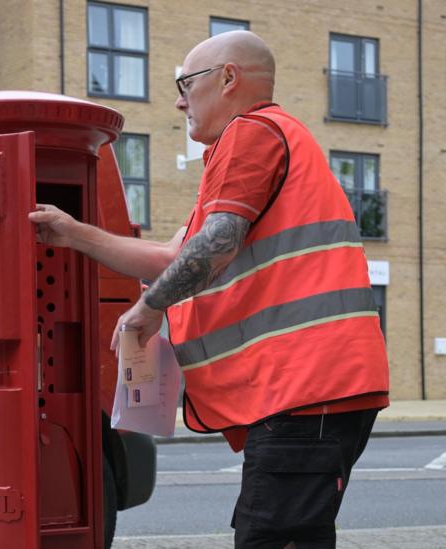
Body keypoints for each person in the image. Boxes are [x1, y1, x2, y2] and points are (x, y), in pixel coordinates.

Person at [29, 31, 389, 548]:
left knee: (269, 537)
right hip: (307, 389)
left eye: (185, 84)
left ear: (228, 78)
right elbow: (173, 257)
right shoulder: (256, 148)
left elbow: (217, 243)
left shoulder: (252, 131)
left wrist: (150, 306)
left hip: (305, 387)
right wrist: (71, 233)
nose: (180, 101)